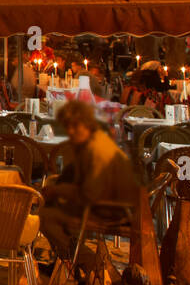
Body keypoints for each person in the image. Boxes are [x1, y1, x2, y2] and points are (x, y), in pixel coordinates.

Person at [38, 100, 140, 264]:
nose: (71, 131)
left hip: (111, 209)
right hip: (111, 203)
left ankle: (87, 265)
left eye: (75, 126)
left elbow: (89, 193)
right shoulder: (95, 141)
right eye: (68, 126)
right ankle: (67, 263)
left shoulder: (97, 150)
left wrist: (58, 191)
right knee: (53, 208)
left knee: (45, 218)